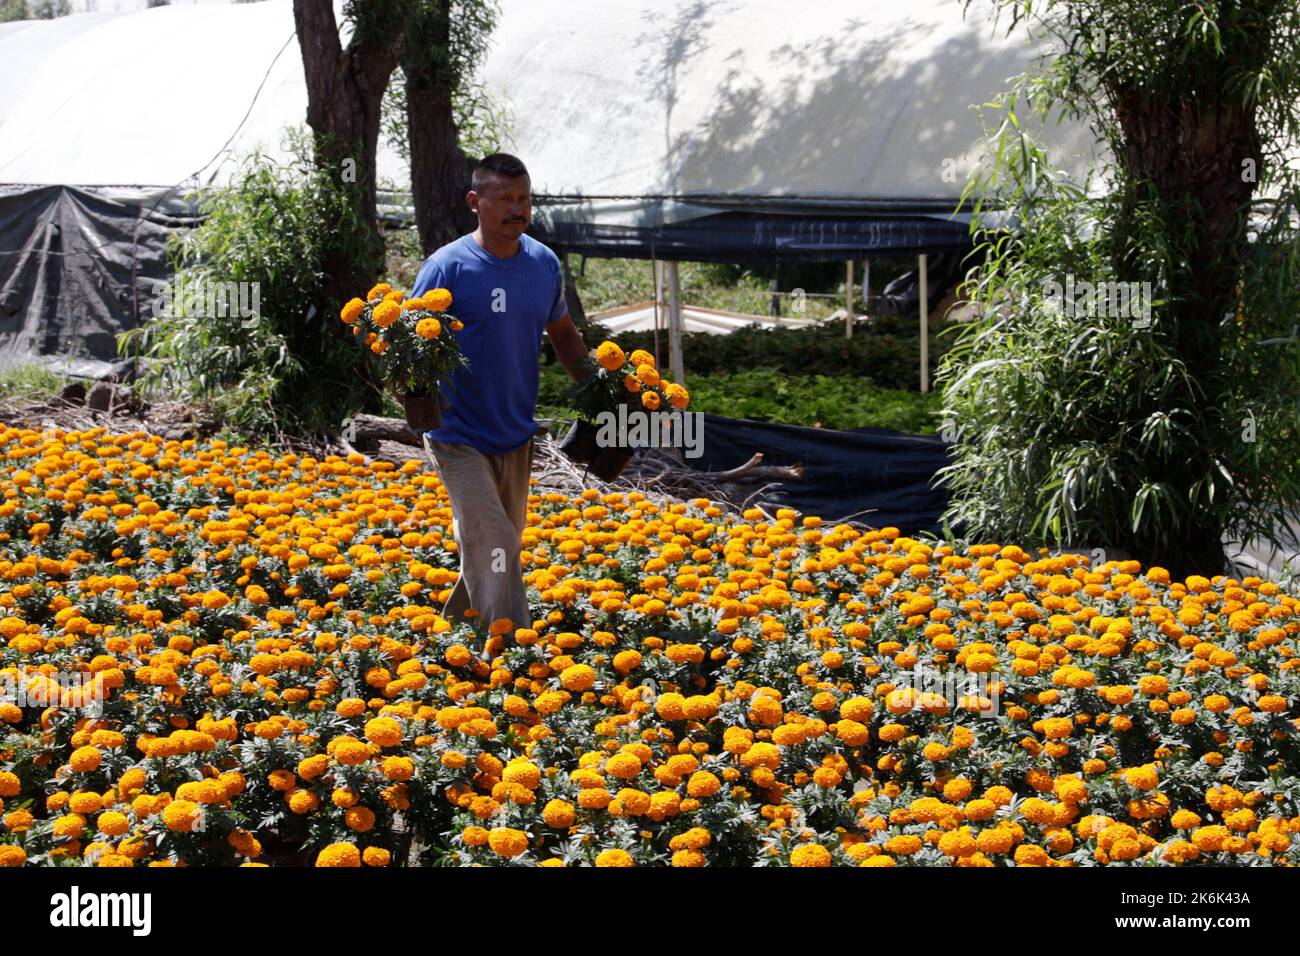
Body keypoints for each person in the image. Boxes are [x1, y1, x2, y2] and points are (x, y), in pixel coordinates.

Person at [411, 152, 590, 647]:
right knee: (495, 540)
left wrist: (601, 393)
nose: (518, 209)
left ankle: (454, 634)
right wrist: (416, 392)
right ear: (475, 202)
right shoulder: (447, 267)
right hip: (457, 433)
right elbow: (408, 346)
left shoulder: (543, 264)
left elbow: (565, 335)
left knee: (496, 548)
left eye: (525, 199)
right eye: (506, 198)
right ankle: (512, 653)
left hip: (515, 432)